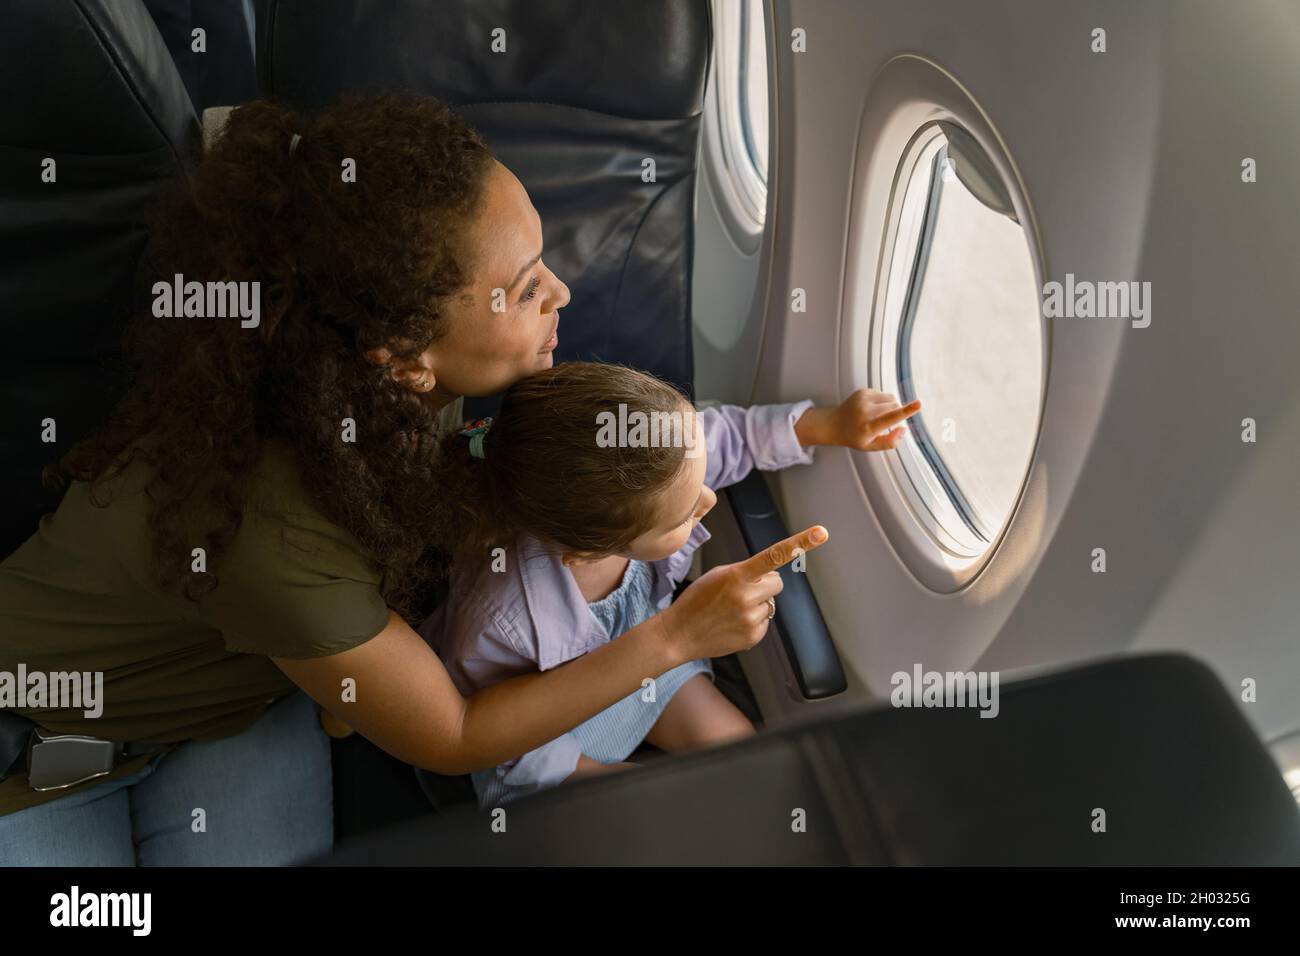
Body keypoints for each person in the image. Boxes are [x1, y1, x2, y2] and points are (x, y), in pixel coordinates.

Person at [0, 94, 809, 865]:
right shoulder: (278, 529)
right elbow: (453, 733)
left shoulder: (399, 389)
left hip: (239, 711)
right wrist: (672, 638)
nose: (562, 292)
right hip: (44, 740)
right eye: (527, 287)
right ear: (404, 352)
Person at [423, 362, 918, 806]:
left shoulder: (660, 456)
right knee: (667, 809)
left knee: (752, 762)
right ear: (591, 552)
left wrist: (828, 425)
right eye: (684, 515)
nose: (707, 499)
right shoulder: (498, 620)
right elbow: (516, 750)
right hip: (550, 736)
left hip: (653, 674)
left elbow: (730, 437)